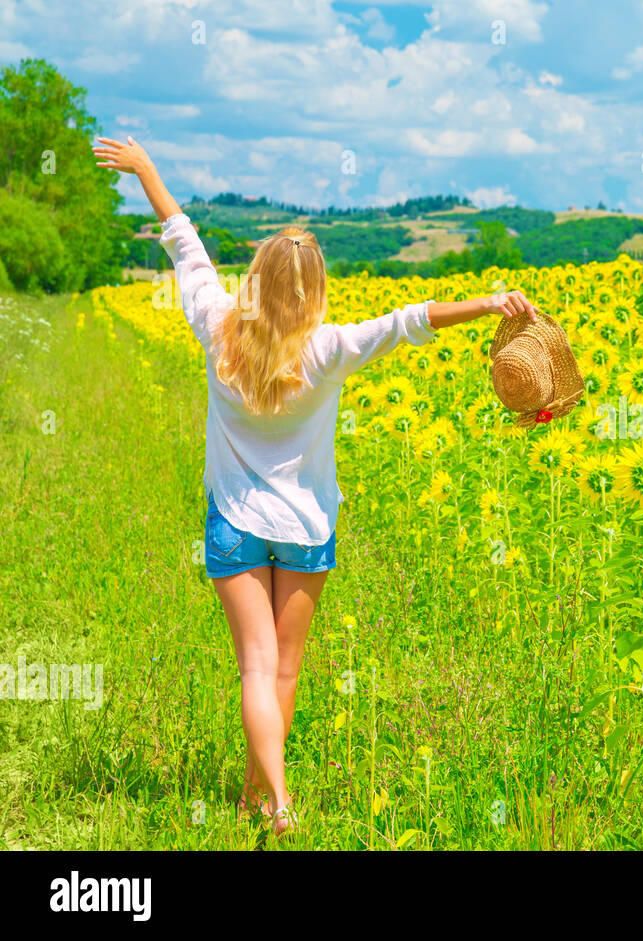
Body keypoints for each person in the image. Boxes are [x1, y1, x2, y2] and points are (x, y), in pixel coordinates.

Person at [92, 135, 539, 836]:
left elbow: (185, 246)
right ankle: (272, 800)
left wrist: (146, 169)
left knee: (254, 668)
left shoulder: (218, 329)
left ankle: (266, 798)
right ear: (317, 290)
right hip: (306, 530)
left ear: (257, 281)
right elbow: (411, 320)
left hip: (236, 522)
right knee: (285, 672)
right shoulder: (329, 349)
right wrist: (489, 304)